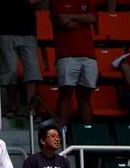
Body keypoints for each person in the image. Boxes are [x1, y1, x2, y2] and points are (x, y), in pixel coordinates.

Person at [51, 0, 97, 128]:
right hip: (66, 55)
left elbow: (93, 18)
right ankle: (61, 132)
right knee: (65, 95)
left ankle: (88, 133)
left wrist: (72, 16)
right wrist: (84, 21)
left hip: (88, 55)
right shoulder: (56, 3)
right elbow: (65, 25)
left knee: (85, 98)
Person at [0, 0, 44, 119]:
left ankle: (31, 108)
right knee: (11, 70)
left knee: (32, 70)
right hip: (6, 28)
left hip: (28, 30)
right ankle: (12, 106)